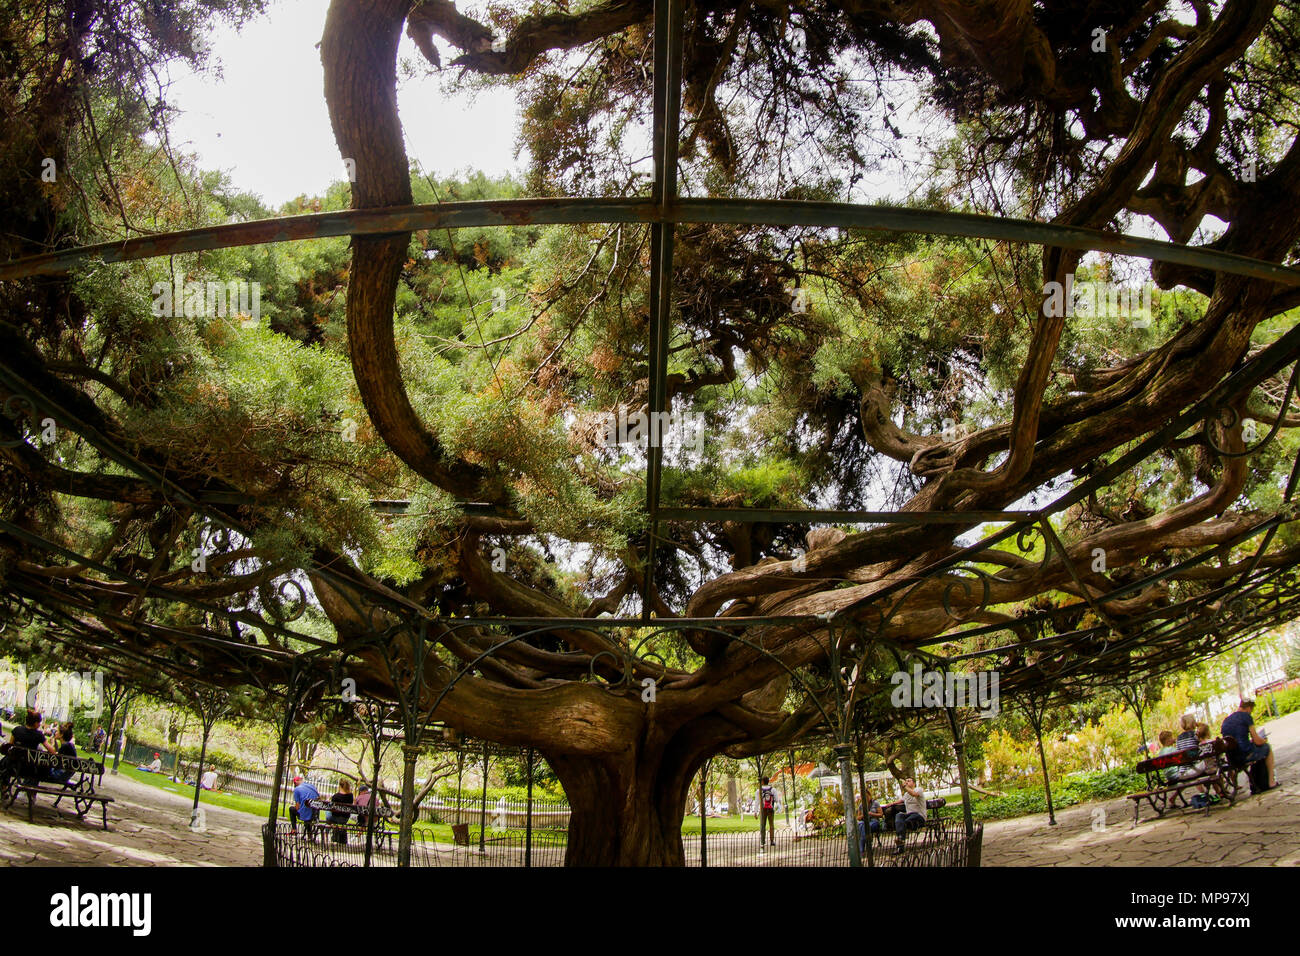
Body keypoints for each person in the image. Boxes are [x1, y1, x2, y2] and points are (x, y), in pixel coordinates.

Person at [1221, 699, 1277, 791]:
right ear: (1248, 708)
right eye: (1251, 710)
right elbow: (1257, 741)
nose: (1251, 712)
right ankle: (1271, 782)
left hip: (1232, 758)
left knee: (1253, 746)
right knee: (1267, 747)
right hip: (1245, 755)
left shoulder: (1226, 721)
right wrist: (1264, 740)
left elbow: (1235, 740)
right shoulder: (1246, 717)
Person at [893, 777, 927, 853]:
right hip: (909, 815)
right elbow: (899, 801)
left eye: (909, 781)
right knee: (899, 816)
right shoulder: (906, 794)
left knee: (907, 820)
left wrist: (905, 786)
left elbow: (914, 794)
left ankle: (902, 838)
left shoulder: (918, 790)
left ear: (914, 783)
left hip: (919, 816)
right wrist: (888, 805)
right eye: (906, 781)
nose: (907, 782)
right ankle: (901, 840)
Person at [326, 779, 354, 844]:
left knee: (327, 812)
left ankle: (332, 826)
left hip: (335, 817)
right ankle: (334, 827)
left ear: (340, 786)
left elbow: (331, 809)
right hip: (345, 818)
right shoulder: (350, 796)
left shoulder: (335, 796)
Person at [857, 788, 884, 853]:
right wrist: (864, 815)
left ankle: (862, 850)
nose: (865, 798)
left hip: (873, 821)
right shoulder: (861, 805)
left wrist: (872, 814)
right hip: (864, 822)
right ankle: (867, 843)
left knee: (863, 827)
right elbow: (858, 817)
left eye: (866, 796)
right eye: (863, 797)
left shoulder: (875, 803)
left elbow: (881, 814)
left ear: (869, 795)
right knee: (861, 824)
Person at [756, 776, 778, 850]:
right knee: (771, 825)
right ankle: (772, 840)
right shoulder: (773, 789)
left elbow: (757, 802)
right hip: (770, 809)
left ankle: (763, 840)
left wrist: (755, 812)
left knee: (763, 825)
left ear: (762, 782)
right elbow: (776, 799)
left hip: (763, 809)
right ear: (768, 781)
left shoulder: (759, 790)